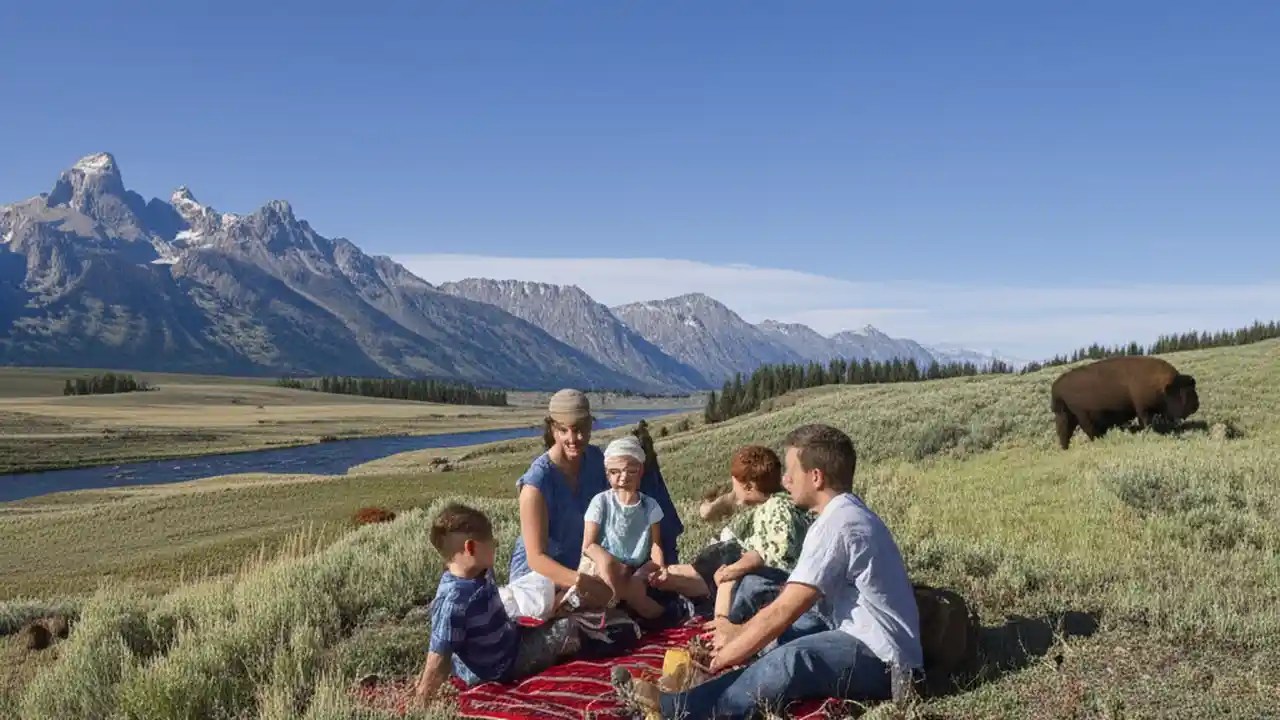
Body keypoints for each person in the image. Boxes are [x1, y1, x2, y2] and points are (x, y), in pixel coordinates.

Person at [614, 424, 924, 720]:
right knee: (784, 631)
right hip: (852, 630)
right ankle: (726, 670)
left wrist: (726, 656)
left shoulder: (839, 525)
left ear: (816, 477)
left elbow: (784, 609)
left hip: (885, 661)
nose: (785, 480)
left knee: (794, 658)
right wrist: (745, 635)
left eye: (791, 471)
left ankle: (680, 708)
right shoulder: (843, 514)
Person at [413, 503, 581, 705]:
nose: (495, 544)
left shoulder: (480, 572)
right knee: (568, 628)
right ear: (471, 547)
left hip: (504, 641)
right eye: (490, 541)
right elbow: (438, 655)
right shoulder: (454, 600)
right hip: (499, 666)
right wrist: (422, 699)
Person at [650, 445, 815, 629]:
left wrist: (732, 570)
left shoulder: (777, 509)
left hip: (765, 576)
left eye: (736, 486)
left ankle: (720, 623)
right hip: (733, 561)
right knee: (675, 573)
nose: (734, 492)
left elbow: (769, 554)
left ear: (749, 486)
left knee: (723, 576)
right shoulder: (772, 503)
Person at [506, 389, 614, 617]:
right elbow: (536, 558)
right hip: (540, 580)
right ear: (552, 429)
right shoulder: (537, 483)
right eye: (564, 431)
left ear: (590, 427)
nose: (573, 439)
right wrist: (581, 581)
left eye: (580, 430)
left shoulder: (596, 462)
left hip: (581, 567)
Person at [578, 435, 668, 620]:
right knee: (604, 586)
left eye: (630, 471)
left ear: (640, 471)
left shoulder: (649, 506)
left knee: (638, 587)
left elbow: (655, 545)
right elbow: (588, 545)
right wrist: (607, 562)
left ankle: (646, 612)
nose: (623, 477)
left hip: (635, 566)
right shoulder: (601, 503)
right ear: (607, 474)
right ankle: (627, 605)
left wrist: (659, 567)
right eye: (615, 471)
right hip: (603, 566)